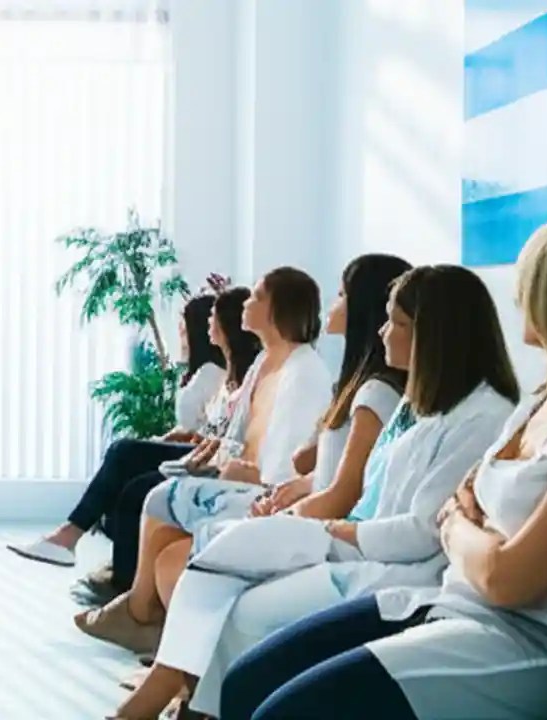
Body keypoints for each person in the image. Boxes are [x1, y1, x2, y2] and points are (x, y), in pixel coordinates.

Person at [216, 217, 547, 720]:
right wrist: (474, 531)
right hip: (461, 605)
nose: (518, 293)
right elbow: (469, 518)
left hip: (543, 652)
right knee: (249, 682)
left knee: (287, 713)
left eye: (532, 278)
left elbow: (507, 576)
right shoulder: (545, 400)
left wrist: (461, 526)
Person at [164, 265, 520, 719]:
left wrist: (333, 528)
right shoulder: (419, 401)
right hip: (358, 546)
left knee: (248, 613)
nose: (382, 331)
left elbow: (422, 533)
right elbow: (359, 481)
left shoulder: (482, 417)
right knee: (222, 563)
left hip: (397, 570)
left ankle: (204, 705)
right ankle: (195, 702)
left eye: (398, 323)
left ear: (437, 336)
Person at [109, 253, 418, 716]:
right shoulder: (353, 387)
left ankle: (172, 681)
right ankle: (178, 679)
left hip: (329, 530)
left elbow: (347, 494)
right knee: (172, 534)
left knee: (185, 556)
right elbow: (337, 473)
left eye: (341, 294)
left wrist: (286, 505)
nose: (332, 304)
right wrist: (300, 483)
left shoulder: (371, 392)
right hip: (316, 514)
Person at [75, 267, 331, 654]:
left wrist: (235, 467)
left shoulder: (304, 372)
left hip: (265, 494)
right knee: (156, 495)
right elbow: (236, 433)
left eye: (256, 296)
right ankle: (143, 614)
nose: (245, 301)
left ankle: (142, 616)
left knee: (160, 504)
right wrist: (215, 454)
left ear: (279, 309)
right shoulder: (263, 361)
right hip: (238, 475)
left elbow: (282, 470)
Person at [7, 290, 259, 569]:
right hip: (201, 449)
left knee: (125, 456)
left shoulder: (225, 375)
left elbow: (225, 436)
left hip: (210, 458)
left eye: (214, 316)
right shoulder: (225, 377)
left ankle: (71, 539)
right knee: (124, 455)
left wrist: (200, 442)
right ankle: (74, 542)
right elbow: (210, 427)